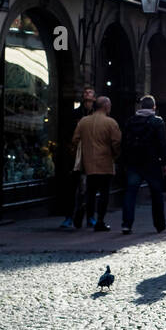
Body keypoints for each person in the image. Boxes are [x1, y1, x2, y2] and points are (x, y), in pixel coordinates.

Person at [69, 94, 121, 232]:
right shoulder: (111, 123)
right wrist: (115, 155)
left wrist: (80, 155)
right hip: (105, 163)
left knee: (90, 192)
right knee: (104, 193)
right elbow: (116, 142)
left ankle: (85, 212)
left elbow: (75, 140)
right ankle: (100, 221)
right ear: (105, 106)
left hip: (88, 163)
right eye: (109, 105)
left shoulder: (84, 121)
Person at [121, 96, 166, 235]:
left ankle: (126, 224)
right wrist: (165, 162)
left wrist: (124, 161)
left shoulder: (130, 121)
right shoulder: (157, 122)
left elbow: (124, 142)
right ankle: (160, 224)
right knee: (156, 194)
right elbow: (163, 143)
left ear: (141, 107)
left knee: (130, 193)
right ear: (154, 107)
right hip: (152, 163)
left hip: (133, 162)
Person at [61, 85, 98, 230]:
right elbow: (67, 133)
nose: (87, 94)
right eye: (86, 92)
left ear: (94, 98)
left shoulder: (97, 115)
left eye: (90, 92)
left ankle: (90, 217)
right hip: (76, 155)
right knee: (72, 188)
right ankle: (69, 217)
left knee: (91, 188)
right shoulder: (75, 113)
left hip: (92, 155)